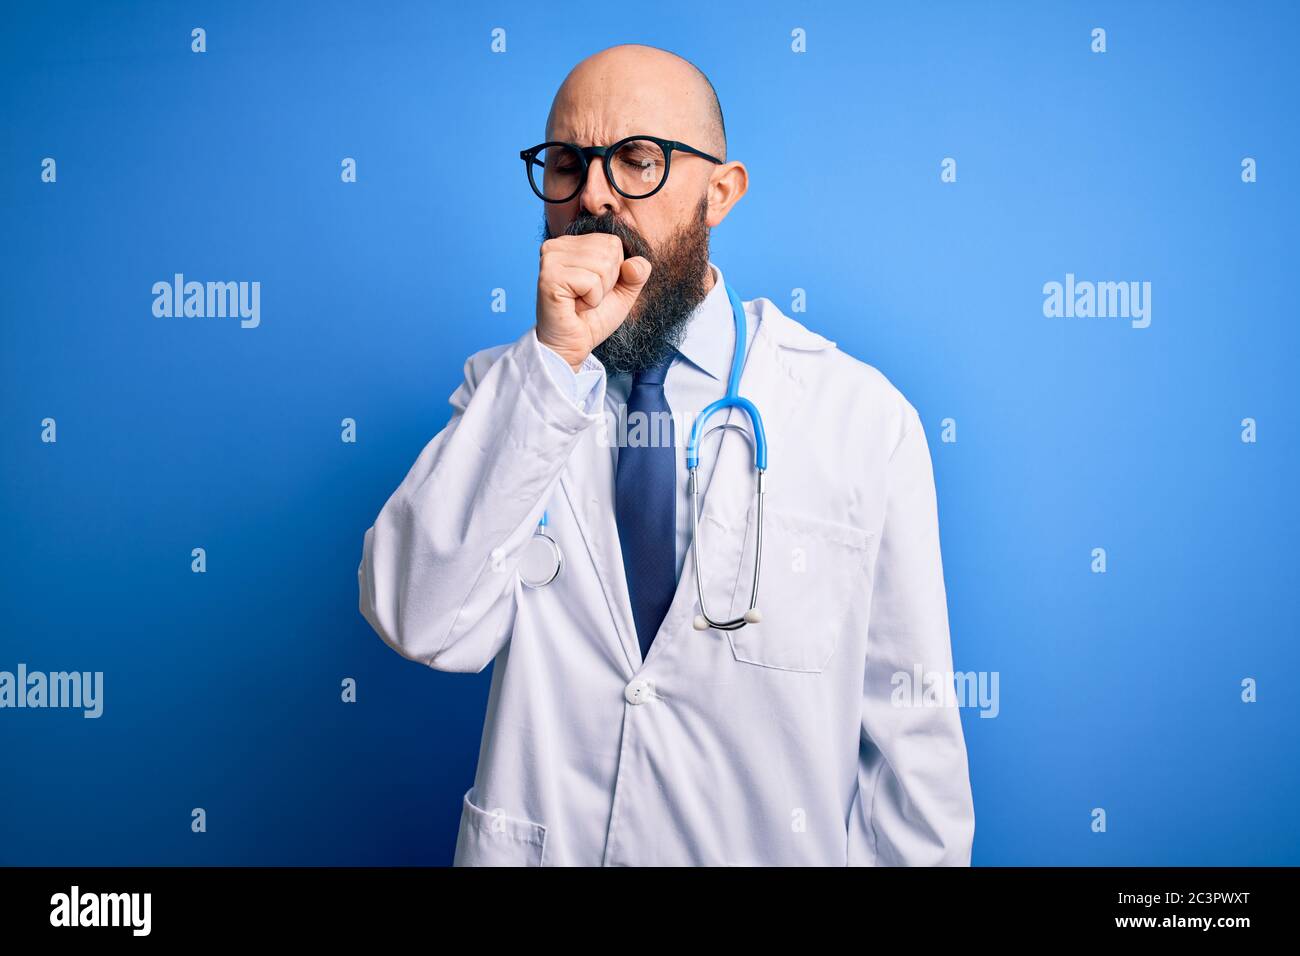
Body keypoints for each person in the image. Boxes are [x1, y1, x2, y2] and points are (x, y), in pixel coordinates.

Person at [358, 43, 975, 866]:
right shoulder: (510, 395)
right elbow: (416, 618)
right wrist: (551, 368)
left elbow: (916, 771)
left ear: (721, 193)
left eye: (637, 161)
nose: (594, 197)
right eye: (567, 165)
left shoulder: (862, 421)